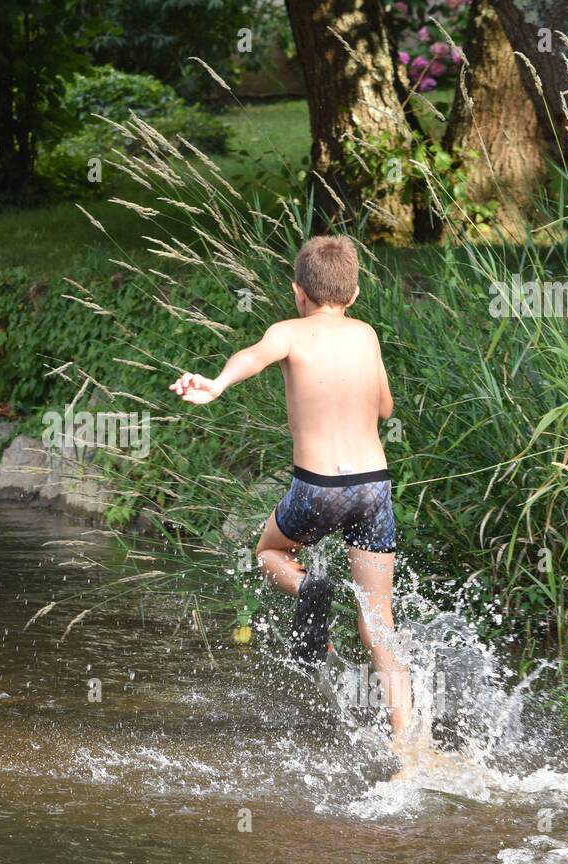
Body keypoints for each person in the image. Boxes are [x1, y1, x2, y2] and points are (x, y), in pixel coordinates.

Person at [169, 235, 413, 738]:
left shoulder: (289, 332)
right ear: (356, 292)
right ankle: (407, 743)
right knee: (380, 619)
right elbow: (386, 408)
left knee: (267, 552)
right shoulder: (366, 335)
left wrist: (215, 384)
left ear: (298, 291)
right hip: (373, 487)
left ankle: (309, 587)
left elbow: (253, 356)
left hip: (318, 487)